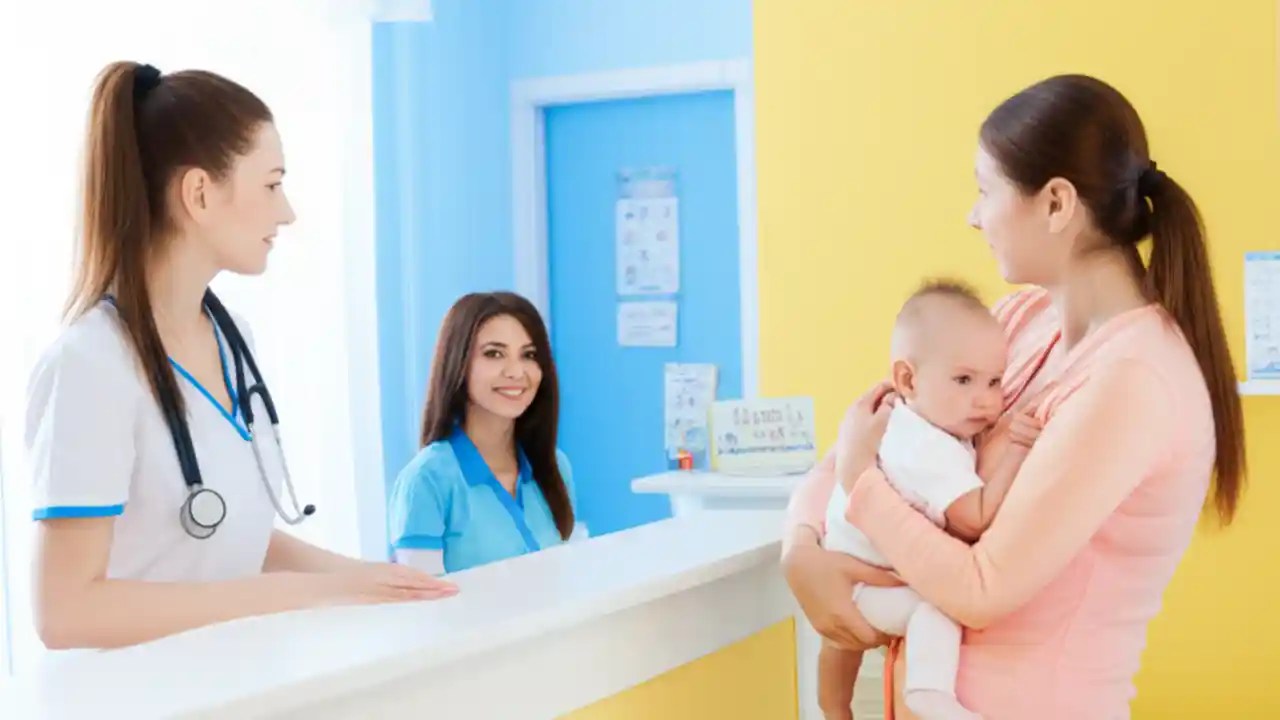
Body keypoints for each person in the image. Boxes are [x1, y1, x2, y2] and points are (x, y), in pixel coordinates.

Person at [782, 73, 1245, 719]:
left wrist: (860, 485)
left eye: (984, 189)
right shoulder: (1021, 320)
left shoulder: (1134, 380)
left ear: (1056, 203)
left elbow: (980, 586)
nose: (973, 215)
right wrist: (801, 546)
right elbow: (879, 437)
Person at [24, 61, 456, 651]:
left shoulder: (233, 340)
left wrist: (357, 577)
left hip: (235, 683)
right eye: (273, 184)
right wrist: (294, 594)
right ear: (200, 193)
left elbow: (226, 530)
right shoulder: (91, 364)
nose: (287, 212)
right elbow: (66, 613)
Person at [818, 281, 1042, 720]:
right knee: (935, 611)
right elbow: (973, 520)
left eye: (995, 381)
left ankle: (833, 708)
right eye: (963, 380)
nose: (986, 399)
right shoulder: (927, 447)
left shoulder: (906, 420)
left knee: (837, 653)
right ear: (908, 379)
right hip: (867, 587)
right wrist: (1016, 452)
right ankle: (929, 693)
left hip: (847, 570)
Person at [388, 292, 578, 575]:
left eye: (529, 355)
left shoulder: (554, 466)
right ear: (458, 364)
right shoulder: (426, 481)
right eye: (494, 354)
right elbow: (425, 610)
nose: (516, 372)